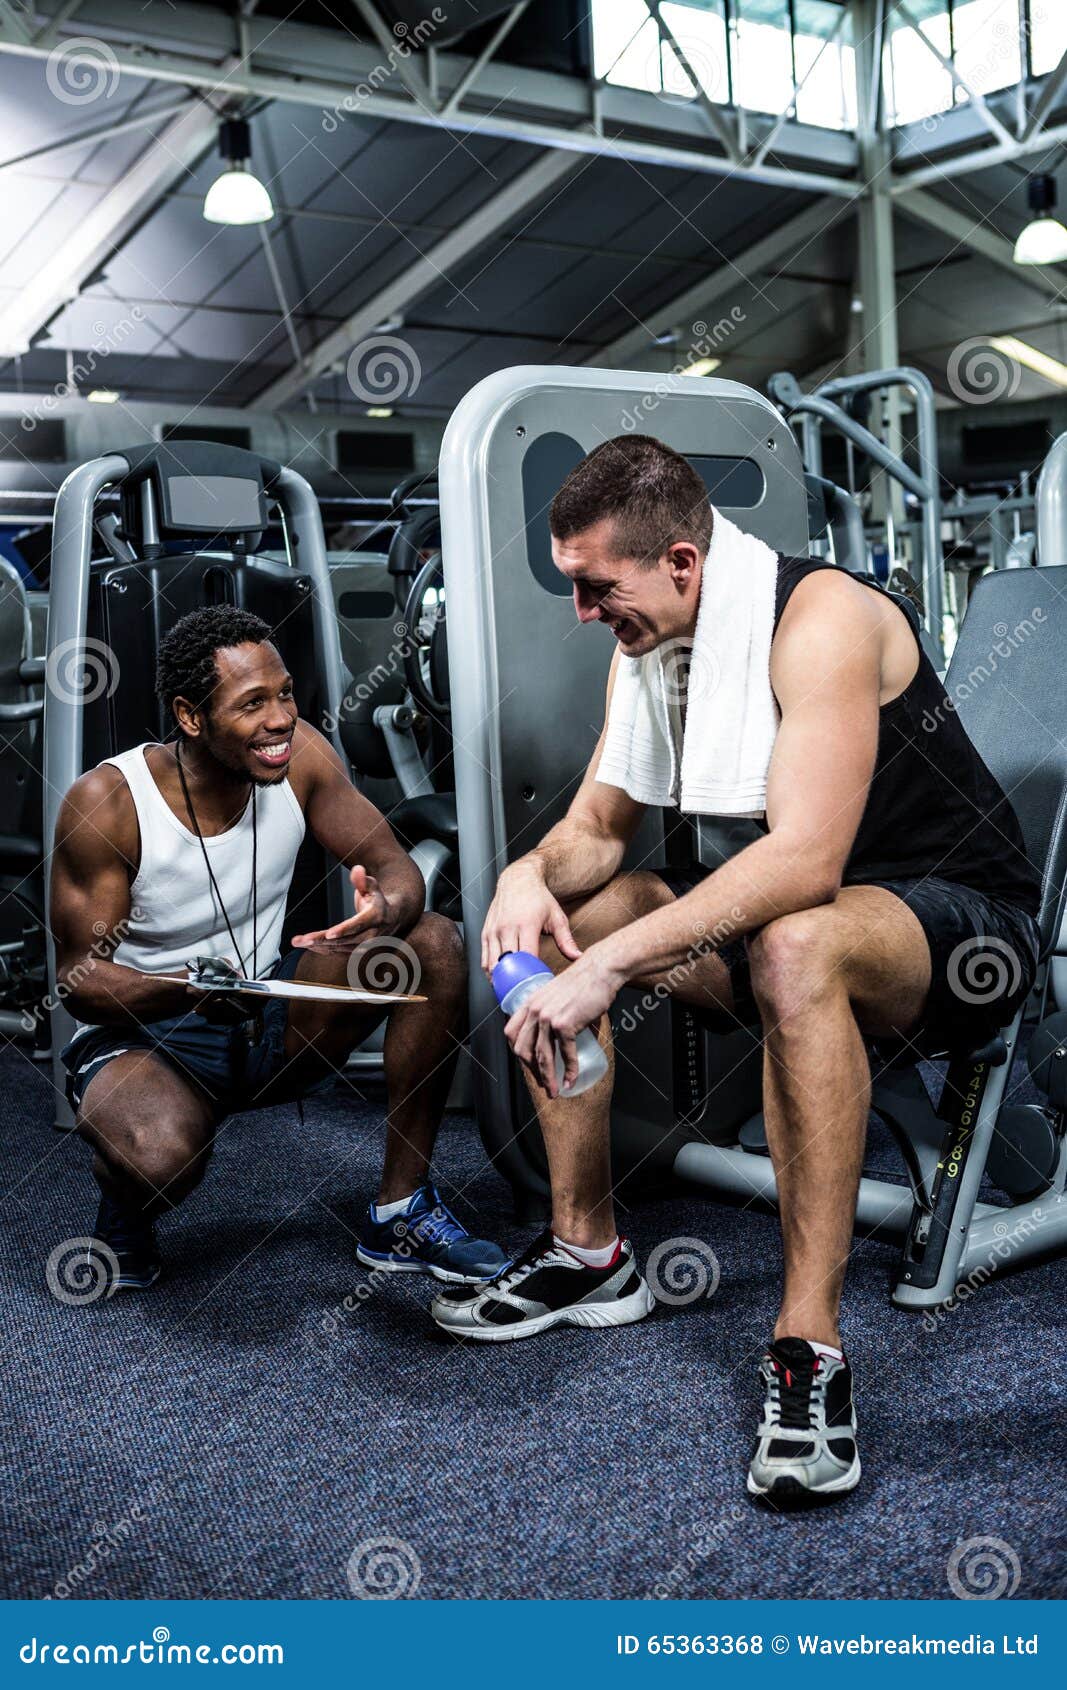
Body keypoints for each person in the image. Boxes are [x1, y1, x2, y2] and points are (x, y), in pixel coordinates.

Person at [432, 435, 1042, 1505]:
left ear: (679, 561)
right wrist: (529, 876)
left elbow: (804, 858)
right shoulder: (649, 648)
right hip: (789, 926)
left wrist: (612, 966)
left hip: (953, 927)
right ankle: (587, 1252)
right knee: (544, 930)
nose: (581, 612)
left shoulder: (821, 623)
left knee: (790, 941)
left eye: (592, 586)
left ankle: (807, 1346)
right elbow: (595, 828)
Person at [51, 605, 505, 1292]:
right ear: (191, 716)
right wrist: (187, 986)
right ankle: (126, 1203)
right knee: (160, 1160)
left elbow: (395, 865)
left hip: (268, 1009)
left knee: (431, 941)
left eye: (286, 693)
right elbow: (78, 982)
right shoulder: (110, 804)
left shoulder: (300, 760)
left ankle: (400, 1210)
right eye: (252, 703)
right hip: (145, 1032)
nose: (280, 719)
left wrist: (388, 905)